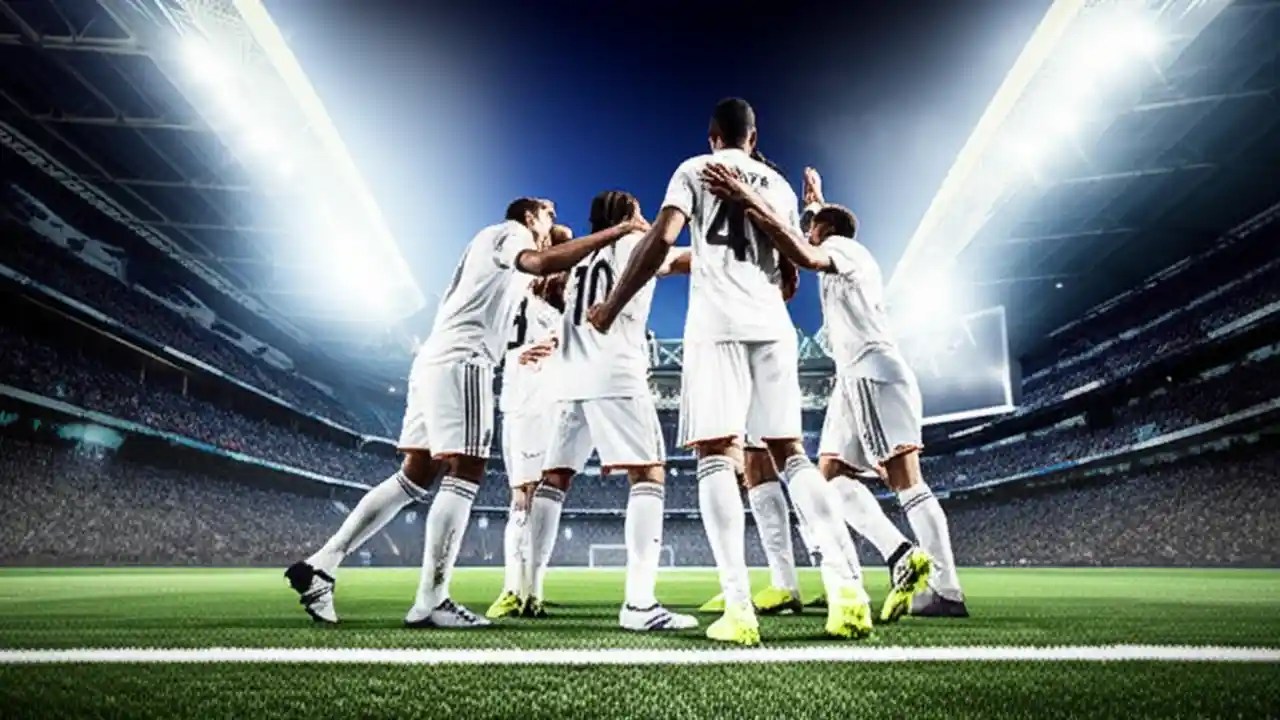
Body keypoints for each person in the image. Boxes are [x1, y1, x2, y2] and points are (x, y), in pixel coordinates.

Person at [588, 98, 874, 646]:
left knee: (717, 456)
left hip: (717, 327)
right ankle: (847, 591)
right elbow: (791, 274)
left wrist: (612, 303)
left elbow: (659, 241)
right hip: (772, 325)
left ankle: (739, 608)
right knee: (791, 453)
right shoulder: (781, 187)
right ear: (753, 134)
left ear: (714, 135)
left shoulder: (695, 169)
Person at [286, 198, 645, 627]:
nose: (552, 221)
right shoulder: (511, 233)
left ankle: (322, 564)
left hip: (435, 358)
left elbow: (514, 294)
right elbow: (539, 260)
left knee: (415, 475)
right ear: (530, 217)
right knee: (467, 469)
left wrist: (525, 348)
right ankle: (432, 599)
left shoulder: (490, 251)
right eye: (548, 214)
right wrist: (616, 232)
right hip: (464, 362)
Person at [699, 163, 967, 619]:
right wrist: (814, 200)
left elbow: (808, 254)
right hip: (854, 377)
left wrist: (747, 200)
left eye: (813, 225)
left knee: (906, 480)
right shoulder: (839, 240)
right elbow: (814, 233)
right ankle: (899, 554)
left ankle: (945, 588)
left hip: (871, 371)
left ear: (830, 230)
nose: (808, 229)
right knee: (831, 476)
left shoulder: (845, 248)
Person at [522, 190, 697, 632]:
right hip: (614, 373)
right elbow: (689, 260)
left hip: (569, 378)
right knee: (649, 474)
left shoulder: (581, 260)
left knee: (554, 478)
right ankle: (639, 604)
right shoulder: (636, 245)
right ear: (631, 214)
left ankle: (529, 588)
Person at [485, 226, 570, 620]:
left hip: (531, 397)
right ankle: (518, 589)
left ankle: (525, 588)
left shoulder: (521, 288)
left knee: (529, 494)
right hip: (531, 397)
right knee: (527, 495)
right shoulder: (536, 289)